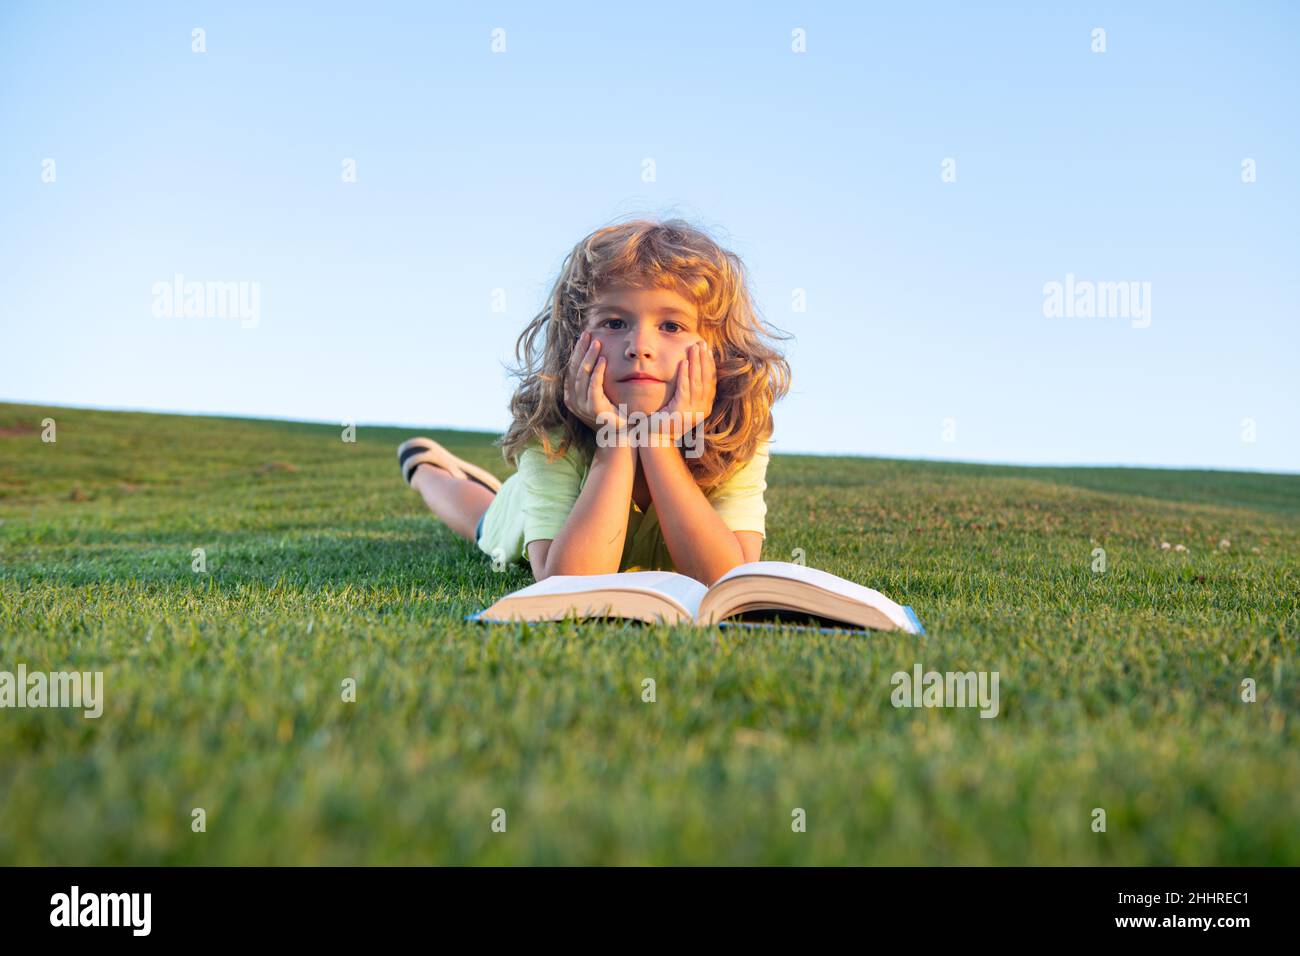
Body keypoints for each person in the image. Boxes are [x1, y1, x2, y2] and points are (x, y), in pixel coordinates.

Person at [397, 217, 791, 586]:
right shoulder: (552, 434)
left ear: (717, 349)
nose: (640, 347)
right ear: (574, 340)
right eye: (614, 323)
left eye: (671, 326)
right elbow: (568, 583)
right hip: (520, 513)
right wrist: (616, 440)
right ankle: (427, 469)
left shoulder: (735, 432)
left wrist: (656, 442)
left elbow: (726, 580)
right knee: (482, 520)